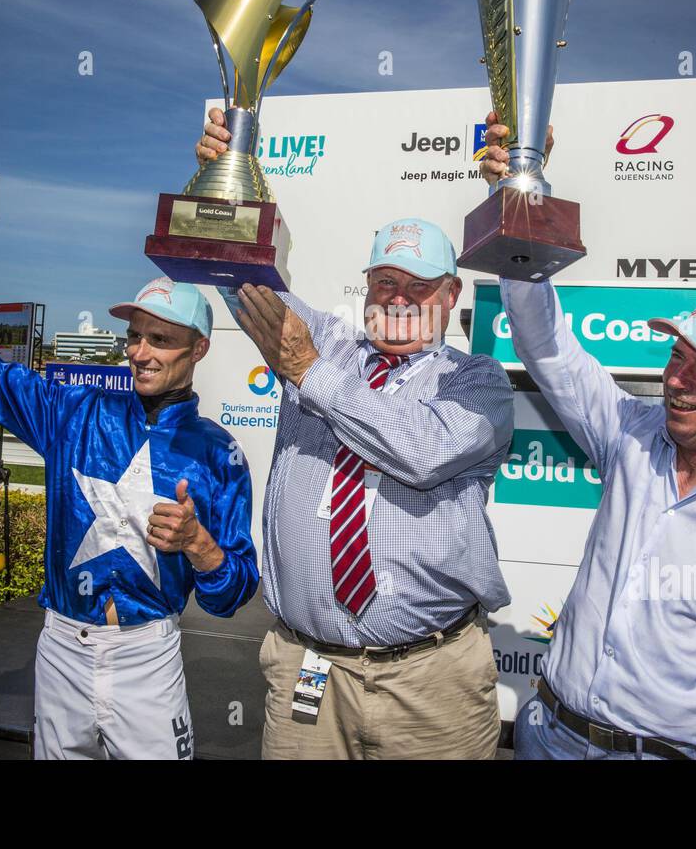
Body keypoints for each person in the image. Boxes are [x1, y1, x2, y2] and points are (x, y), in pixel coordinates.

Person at [479, 115, 696, 760]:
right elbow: (546, 346)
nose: (680, 381)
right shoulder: (629, 435)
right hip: (546, 737)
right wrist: (525, 209)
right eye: (677, 357)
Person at [0, 197, 259, 759]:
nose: (140, 353)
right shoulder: (72, 412)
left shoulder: (219, 453)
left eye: (160, 340)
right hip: (62, 647)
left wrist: (199, 545)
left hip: (149, 657)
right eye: (135, 336)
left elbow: (232, 594)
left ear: (200, 349)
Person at [192, 109, 516, 759]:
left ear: (451, 295)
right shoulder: (325, 340)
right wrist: (222, 184)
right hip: (307, 676)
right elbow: (242, 279)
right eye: (384, 281)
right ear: (365, 286)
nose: (398, 298)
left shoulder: (476, 381)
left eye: (418, 286)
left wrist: (308, 372)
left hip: (432, 683)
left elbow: (419, 452)